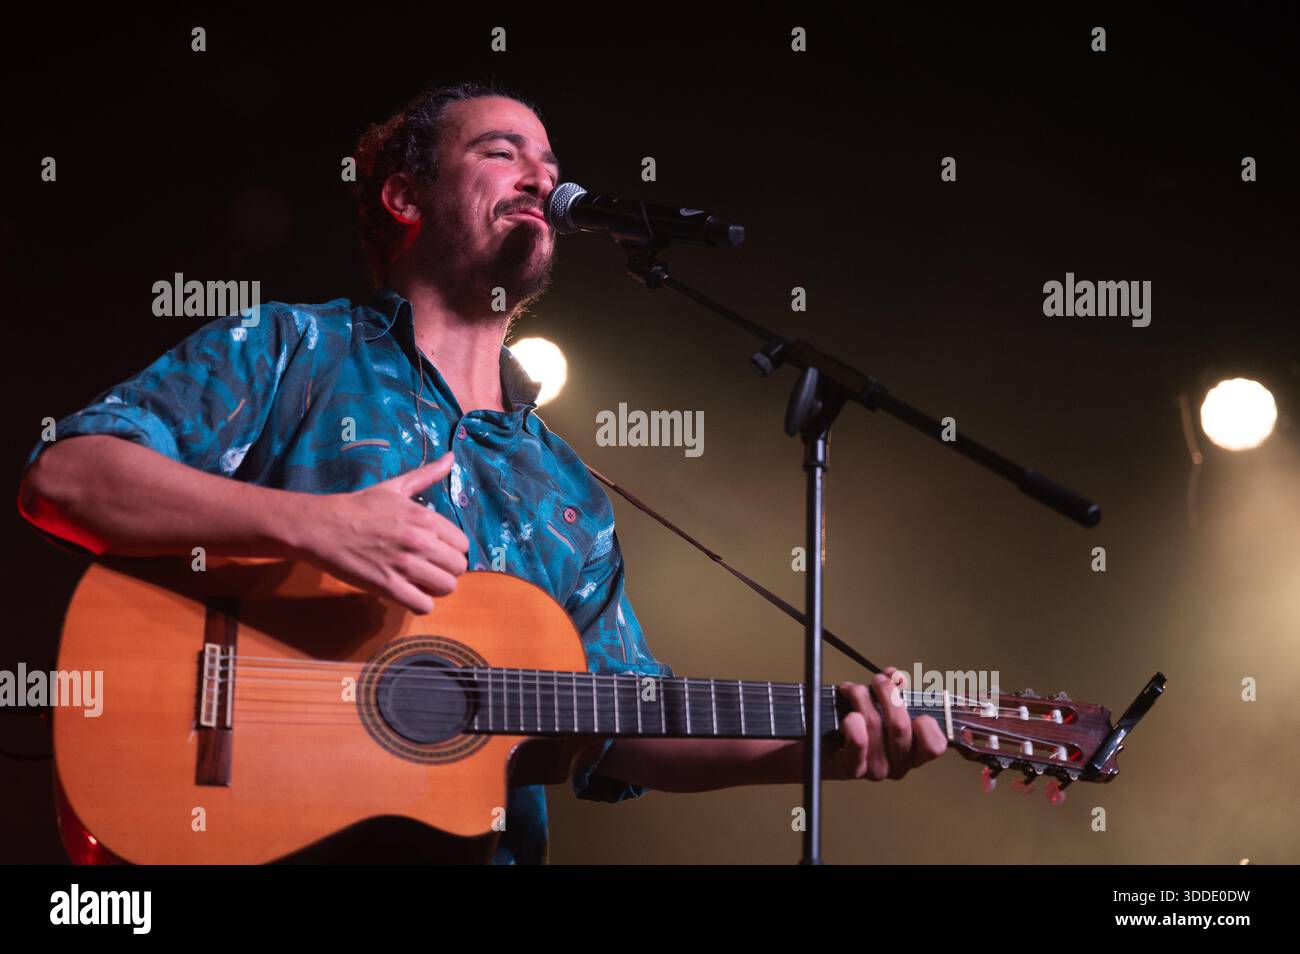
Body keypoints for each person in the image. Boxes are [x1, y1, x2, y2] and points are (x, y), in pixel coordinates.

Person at [17, 81, 947, 864]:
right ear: (403, 198)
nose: (545, 177)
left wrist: (823, 744)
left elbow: (624, 725)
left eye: (549, 163)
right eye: (504, 153)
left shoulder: (569, 491)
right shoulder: (295, 346)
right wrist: (314, 525)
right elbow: (68, 474)